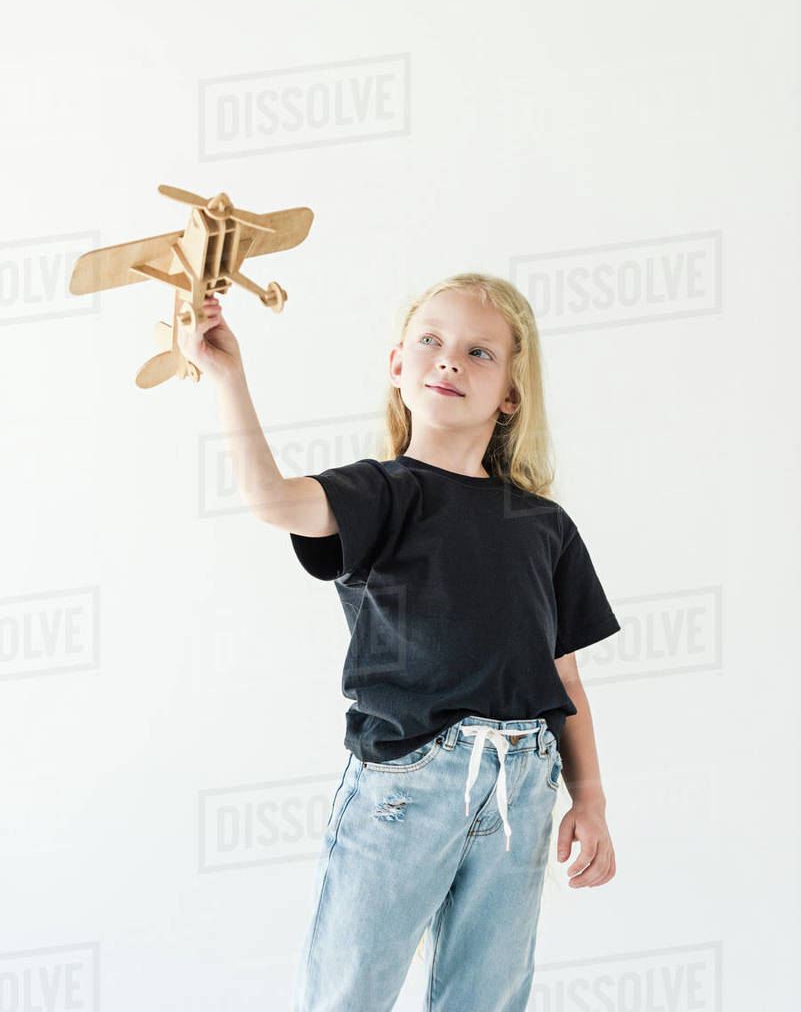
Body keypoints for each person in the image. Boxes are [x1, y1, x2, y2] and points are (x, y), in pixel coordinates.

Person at [179, 272, 622, 1012]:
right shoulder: (377, 492)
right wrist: (229, 374)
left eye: (479, 353)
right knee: (349, 990)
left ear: (510, 393)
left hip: (522, 785)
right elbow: (270, 498)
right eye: (430, 341)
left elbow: (565, 680)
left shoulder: (543, 526)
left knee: (488, 994)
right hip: (408, 786)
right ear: (397, 367)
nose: (448, 361)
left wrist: (591, 799)